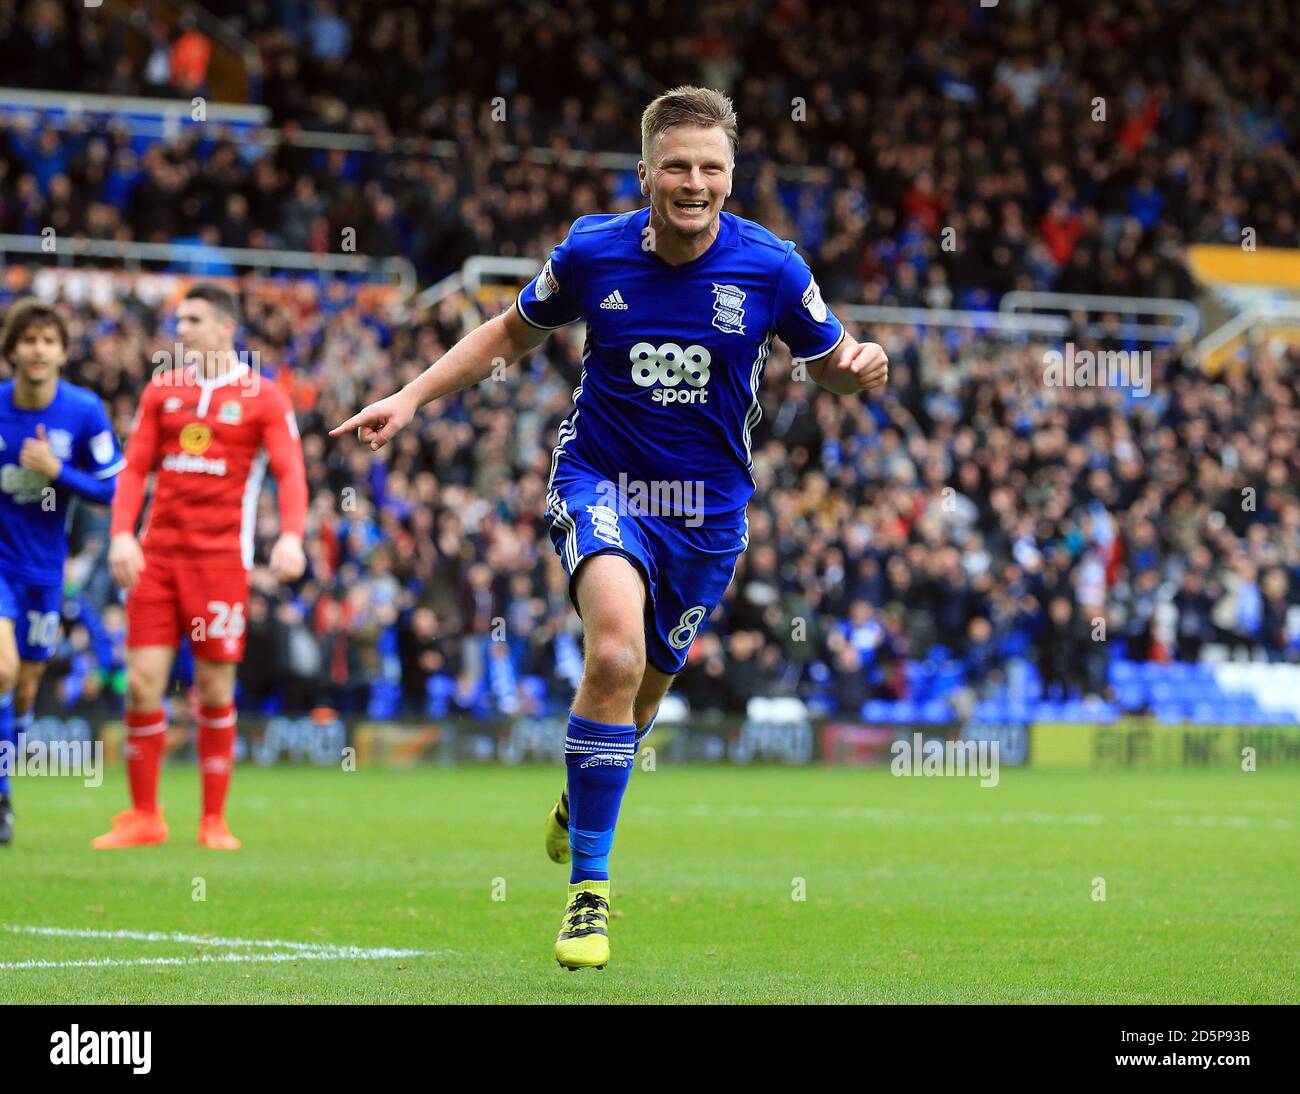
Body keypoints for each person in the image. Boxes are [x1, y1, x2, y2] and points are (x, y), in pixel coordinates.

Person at [331, 87, 888, 970]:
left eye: (710, 167)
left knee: (641, 699)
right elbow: (509, 335)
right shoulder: (593, 251)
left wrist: (861, 368)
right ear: (646, 173)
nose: (694, 182)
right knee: (615, 656)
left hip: (707, 517)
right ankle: (589, 896)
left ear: (731, 177)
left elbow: (832, 366)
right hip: (604, 484)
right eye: (677, 165)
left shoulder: (774, 268)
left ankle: (577, 795)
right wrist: (408, 396)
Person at [93, 283, 308, 850]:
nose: (180, 330)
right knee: (142, 685)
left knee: (213, 688)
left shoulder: (264, 397)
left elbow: (290, 472)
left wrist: (290, 537)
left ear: (223, 328)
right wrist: (121, 535)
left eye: (192, 320)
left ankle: (213, 820)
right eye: (179, 320)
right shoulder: (162, 390)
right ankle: (145, 816)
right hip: (157, 558)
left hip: (219, 562)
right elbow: (133, 471)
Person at [0, 299, 125, 845]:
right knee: (2, 671)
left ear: (62, 352)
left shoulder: (84, 411)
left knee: (25, 686)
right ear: (11, 351)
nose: (38, 349)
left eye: (49, 340)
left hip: (45, 570)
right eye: (28, 339)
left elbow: (111, 489)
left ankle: (4, 789)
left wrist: (58, 472)